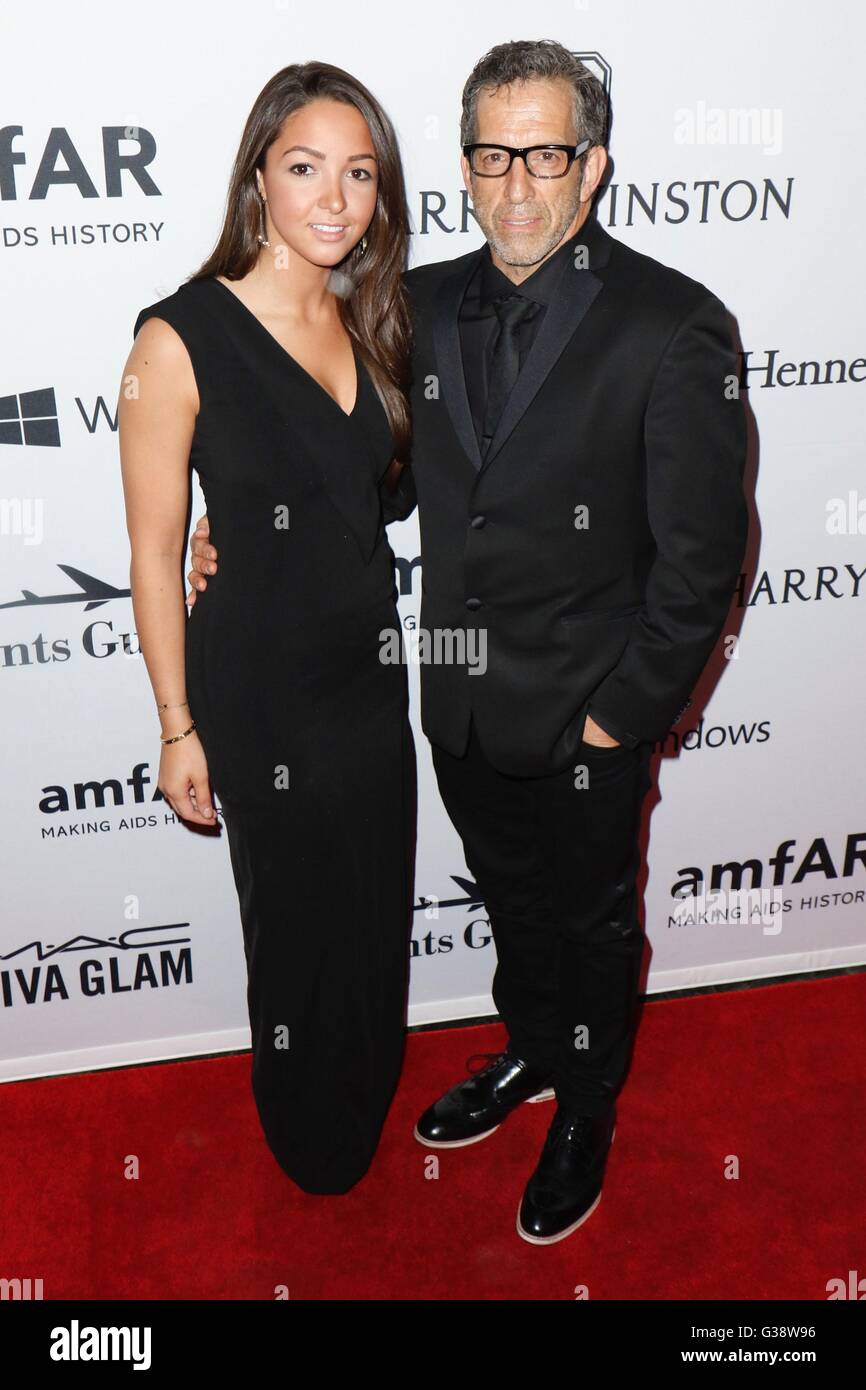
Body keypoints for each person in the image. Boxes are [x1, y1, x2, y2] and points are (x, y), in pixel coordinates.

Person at [187, 40, 748, 1242]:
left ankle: (585, 1103)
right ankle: (533, 1053)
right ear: (463, 166)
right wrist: (224, 523)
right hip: (454, 702)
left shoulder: (674, 323)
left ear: (591, 166)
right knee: (510, 902)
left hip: (590, 710)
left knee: (592, 920)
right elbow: (362, 474)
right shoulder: (420, 302)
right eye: (491, 156)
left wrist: (618, 714)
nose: (516, 185)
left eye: (544, 154)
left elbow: (704, 560)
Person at [117, 62, 417, 1196]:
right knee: (292, 923)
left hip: (367, 676)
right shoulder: (177, 338)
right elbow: (152, 552)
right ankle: (306, 1130)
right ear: (257, 176)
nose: (334, 198)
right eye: (304, 168)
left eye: (358, 174)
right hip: (258, 688)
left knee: (374, 907)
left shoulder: (376, 321)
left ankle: (365, 1090)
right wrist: (176, 724)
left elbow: (374, 497)